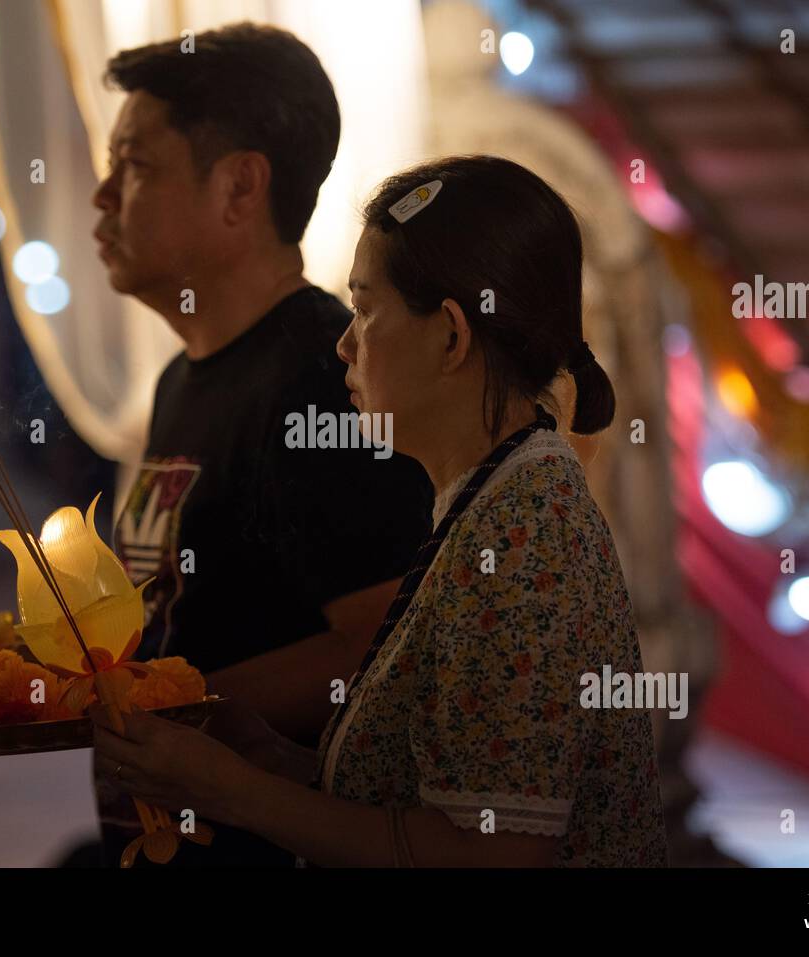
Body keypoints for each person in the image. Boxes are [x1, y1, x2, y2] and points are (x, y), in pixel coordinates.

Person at [92, 155, 670, 867]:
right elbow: (422, 799)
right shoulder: (486, 500)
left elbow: (490, 856)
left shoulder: (523, 536)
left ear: (452, 337)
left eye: (365, 310)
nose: (343, 343)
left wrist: (231, 791)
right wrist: (268, 756)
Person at [87, 23, 432, 867]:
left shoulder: (327, 376)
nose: (102, 198)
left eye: (134, 166)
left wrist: (159, 705)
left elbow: (385, 648)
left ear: (240, 188)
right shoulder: (183, 377)